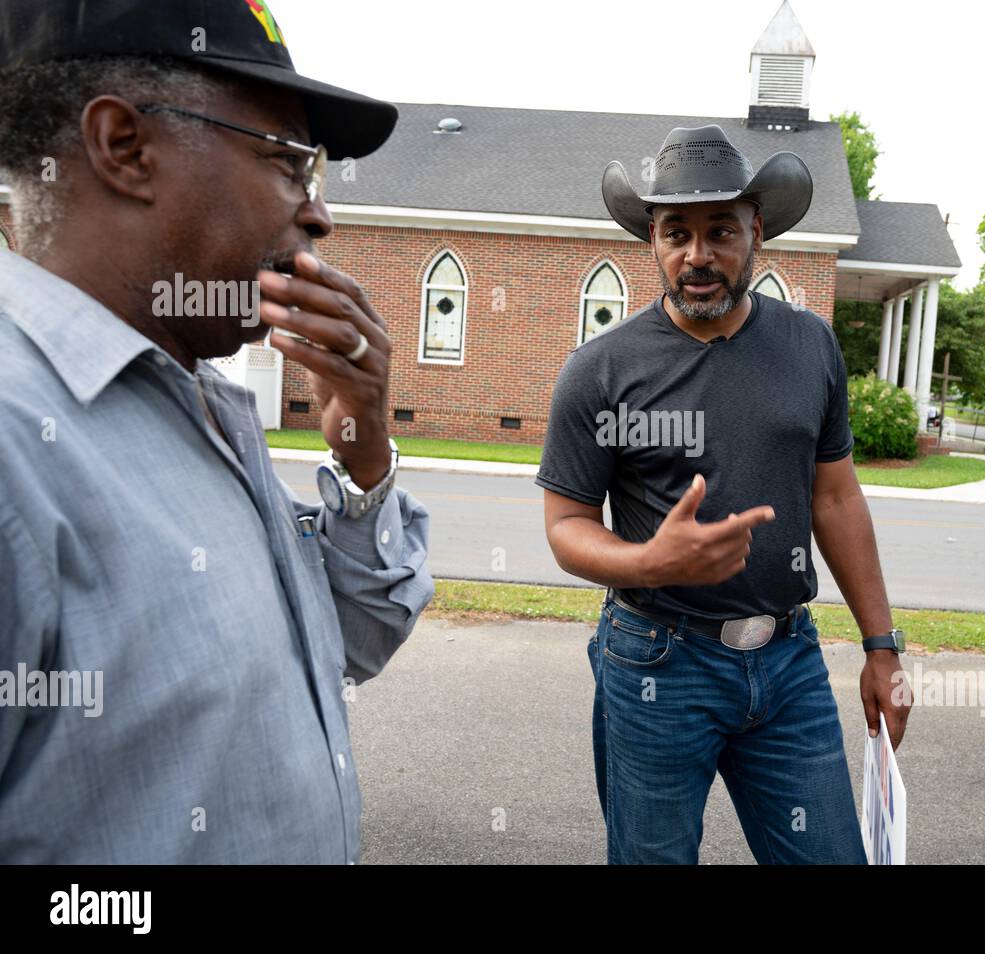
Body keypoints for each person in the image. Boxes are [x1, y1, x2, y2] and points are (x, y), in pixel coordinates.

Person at [0, 0, 434, 862]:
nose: (320, 216)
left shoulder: (199, 396)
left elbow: (349, 643)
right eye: (286, 162)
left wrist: (363, 439)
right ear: (124, 146)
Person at [536, 124, 912, 864]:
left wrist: (882, 647)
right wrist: (649, 562)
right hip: (657, 662)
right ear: (652, 238)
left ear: (757, 233)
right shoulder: (600, 371)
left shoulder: (811, 346)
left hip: (789, 660)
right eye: (677, 232)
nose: (697, 255)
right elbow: (566, 524)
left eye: (721, 231)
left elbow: (836, 499)